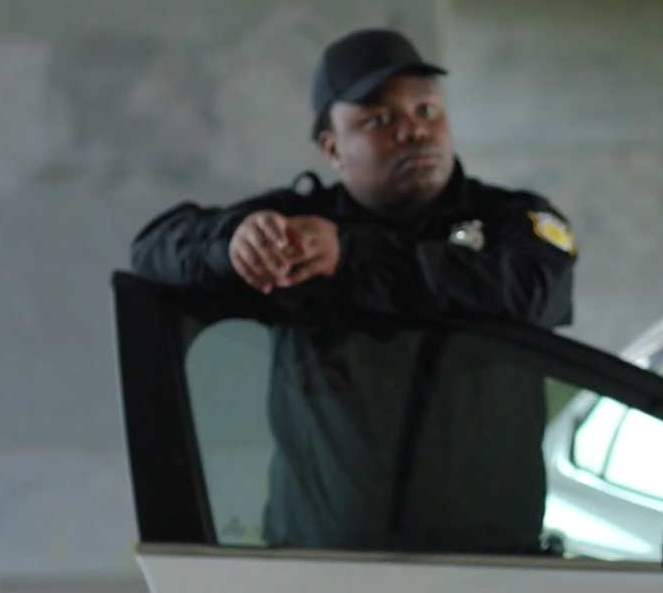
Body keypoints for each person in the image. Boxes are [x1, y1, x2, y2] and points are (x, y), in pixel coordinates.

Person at [131, 28, 577, 552]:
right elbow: (152, 248)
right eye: (381, 119)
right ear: (333, 149)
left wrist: (352, 256)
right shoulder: (293, 232)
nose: (414, 131)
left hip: (485, 564)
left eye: (427, 109)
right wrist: (230, 245)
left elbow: (533, 293)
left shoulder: (511, 221)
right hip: (327, 563)